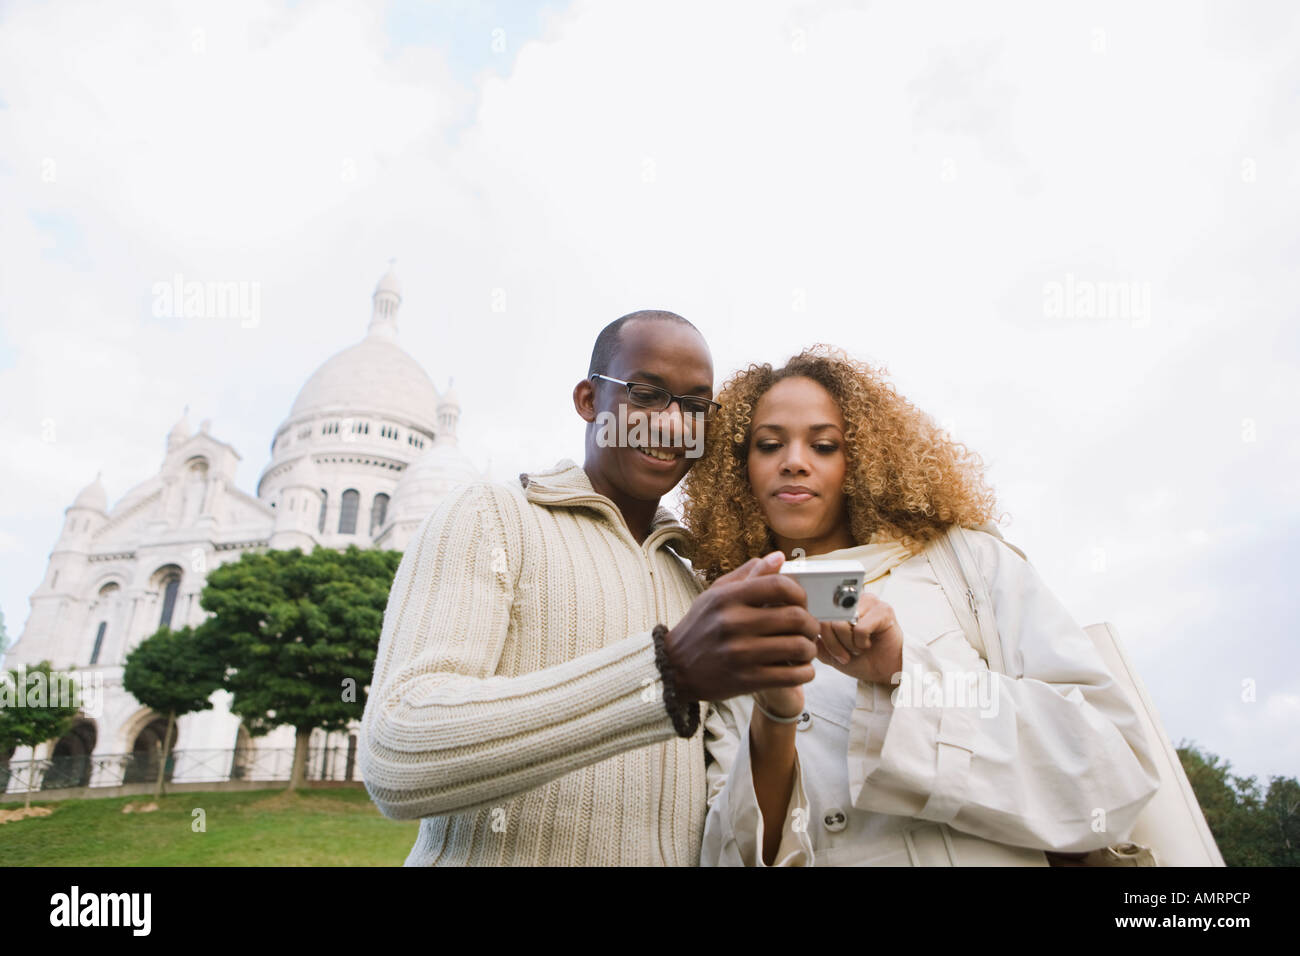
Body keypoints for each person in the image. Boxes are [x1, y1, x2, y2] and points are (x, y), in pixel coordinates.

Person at [358, 310, 821, 865]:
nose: (674, 424)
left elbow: (726, 833)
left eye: (695, 406)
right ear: (588, 401)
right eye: (647, 393)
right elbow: (395, 753)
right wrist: (663, 672)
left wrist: (777, 713)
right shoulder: (491, 516)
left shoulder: (697, 583)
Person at [683, 345, 1162, 866]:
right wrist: (775, 714)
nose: (794, 462)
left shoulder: (968, 564)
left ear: (860, 461)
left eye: (823, 446)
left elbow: (1116, 771)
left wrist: (901, 671)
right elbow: (733, 857)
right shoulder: (727, 621)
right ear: (739, 468)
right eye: (769, 444)